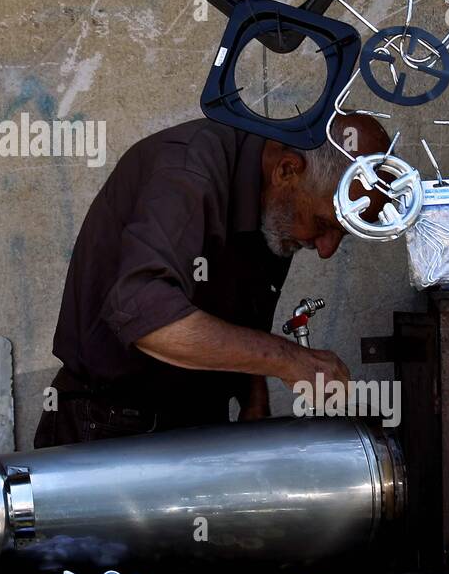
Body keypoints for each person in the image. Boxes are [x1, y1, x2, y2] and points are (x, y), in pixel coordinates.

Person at [34, 114, 390, 447]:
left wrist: (254, 397)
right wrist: (288, 358)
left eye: (343, 234)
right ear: (286, 170)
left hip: (195, 426)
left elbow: (236, 320)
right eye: (325, 224)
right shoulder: (189, 171)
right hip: (110, 428)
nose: (326, 249)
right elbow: (148, 318)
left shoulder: (279, 208)